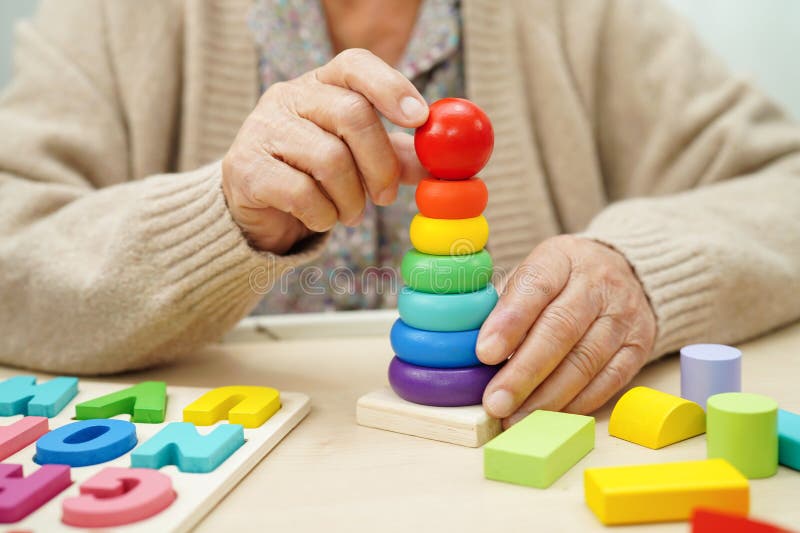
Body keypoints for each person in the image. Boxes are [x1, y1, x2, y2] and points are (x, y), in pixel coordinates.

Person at [1, 0, 799, 428]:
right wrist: (222, 215)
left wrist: (643, 269)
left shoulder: (588, 17)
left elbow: (784, 182)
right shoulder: (112, 17)